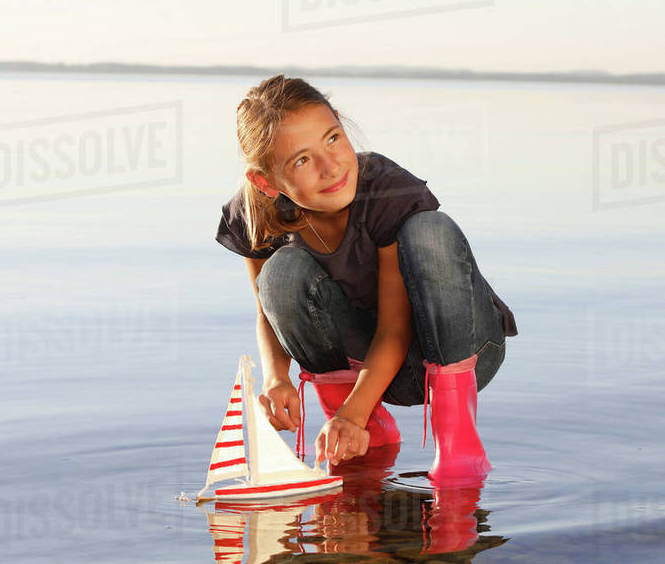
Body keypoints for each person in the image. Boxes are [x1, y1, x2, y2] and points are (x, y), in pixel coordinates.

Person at [214, 75, 518, 484]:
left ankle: (458, 444)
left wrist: (349, 413)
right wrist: (276, 377)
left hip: (461, 350)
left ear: (340, 123)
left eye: (333, 139)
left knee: (430, 229)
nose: (331, 166)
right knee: (279, 275)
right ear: (265, 182)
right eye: (301, 161)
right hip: (368, 371)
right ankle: (364, 433)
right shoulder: (254, 215)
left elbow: (395, 329)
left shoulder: (386, 190)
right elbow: (267, 313)